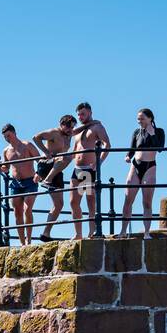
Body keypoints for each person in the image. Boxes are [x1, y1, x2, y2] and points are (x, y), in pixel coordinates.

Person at [30, 115, 83, 241]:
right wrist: (46, 152)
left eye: (73, 127)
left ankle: (46, 233)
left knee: (59, 204)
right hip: (47, 165)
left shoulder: (69, 134)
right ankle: (47, 179)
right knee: (68, 157)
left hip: (57, 169)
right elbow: (35, 138)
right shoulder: (53, 132)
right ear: (62, 124)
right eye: (69, 126)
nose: (71, 129)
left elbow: (81, 129)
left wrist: (94, 123)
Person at [68, 102, 110, 239]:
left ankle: (92, 232)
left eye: (83, 114)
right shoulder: (78, 130)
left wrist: (99, 162)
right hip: (77, 170)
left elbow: (107, 145)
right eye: (79, 114)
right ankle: (78, 233)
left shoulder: (97, 127)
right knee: (73, 202)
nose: (80, 117)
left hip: (89, 170)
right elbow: (74, 149)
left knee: (90, 202)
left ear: (90, 113)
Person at [120, 108, 164, 237]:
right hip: (135, 166)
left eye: (142, 119)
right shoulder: (137, 132)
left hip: (150, 166)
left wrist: (152, 134)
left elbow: (160, 148)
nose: (139, 121)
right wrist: (128, 156)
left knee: (147, 202)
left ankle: (146, 232)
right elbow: (132, 148)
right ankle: (123, 231)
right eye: (138, 119)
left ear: (150, 118)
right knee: (128, 200)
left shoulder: (159, 131)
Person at [0, 124, 41, 245]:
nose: (7, 138)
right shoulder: (6, 151)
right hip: (15, 183)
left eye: (9, 135)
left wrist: (39, 173)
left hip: (30, 182)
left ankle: (29, 239)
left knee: (28, 209)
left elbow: (41, 160)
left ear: (14, 133)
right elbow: (6, 168)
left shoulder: (27, 145)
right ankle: (22, 243)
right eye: (5, 137)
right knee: (17, 212)